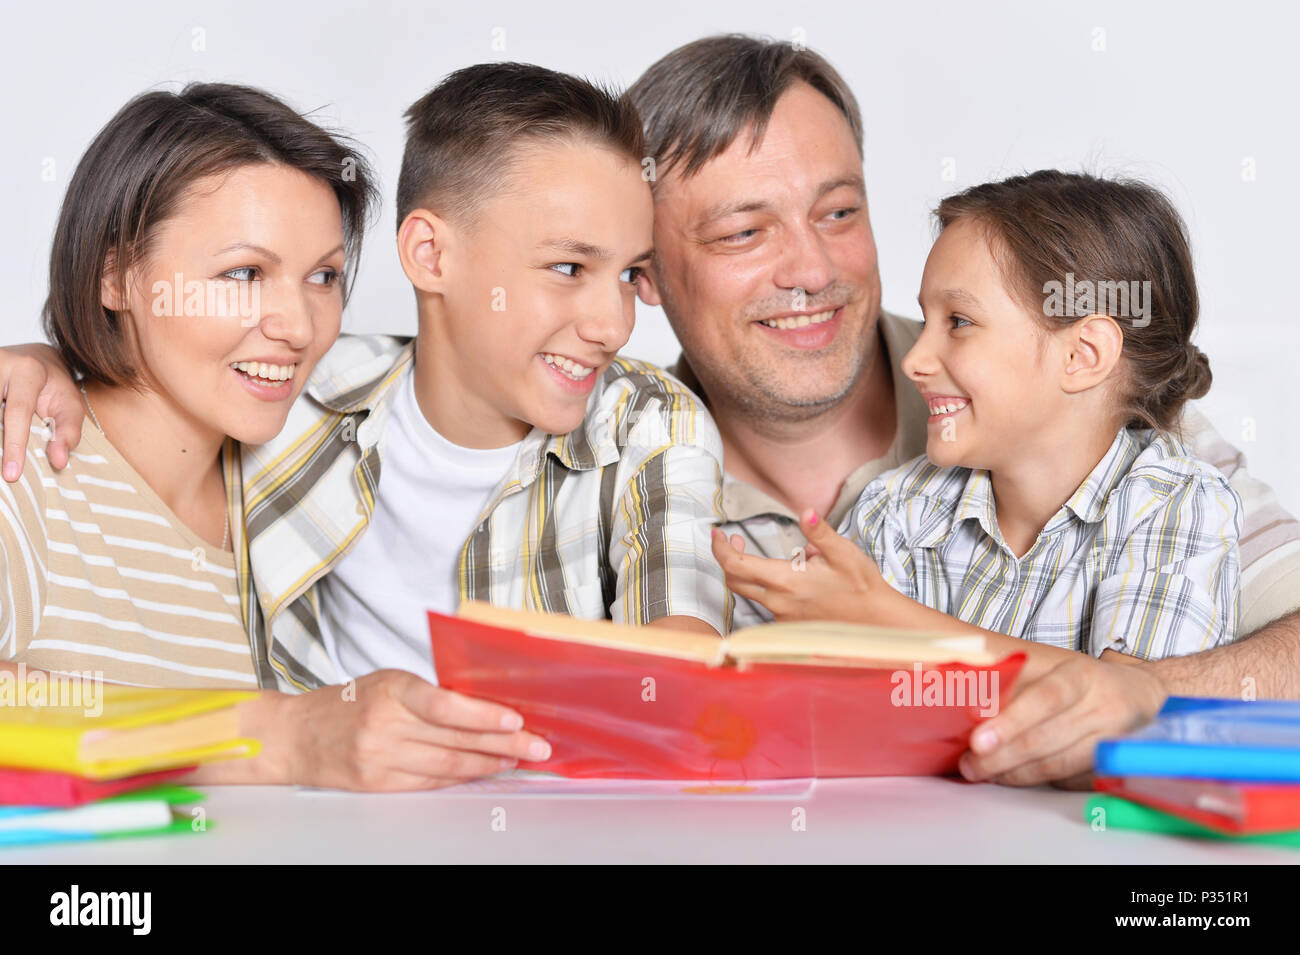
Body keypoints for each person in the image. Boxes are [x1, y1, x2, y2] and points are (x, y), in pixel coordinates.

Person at [624, 34, 1300, 783]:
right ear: (643, 271)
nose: (812, 269)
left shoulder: (1079, 399)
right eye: (743, 232)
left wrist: (1144, 696)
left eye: (840, 212)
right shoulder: (608, 461)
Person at [713, 170, 1241, 674]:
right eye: (926, 322)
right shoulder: (898, 509)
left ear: (1082, 354)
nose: (914, 359)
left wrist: (884, 618)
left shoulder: (1176, 505)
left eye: (959, 323)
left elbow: (1129, 705)